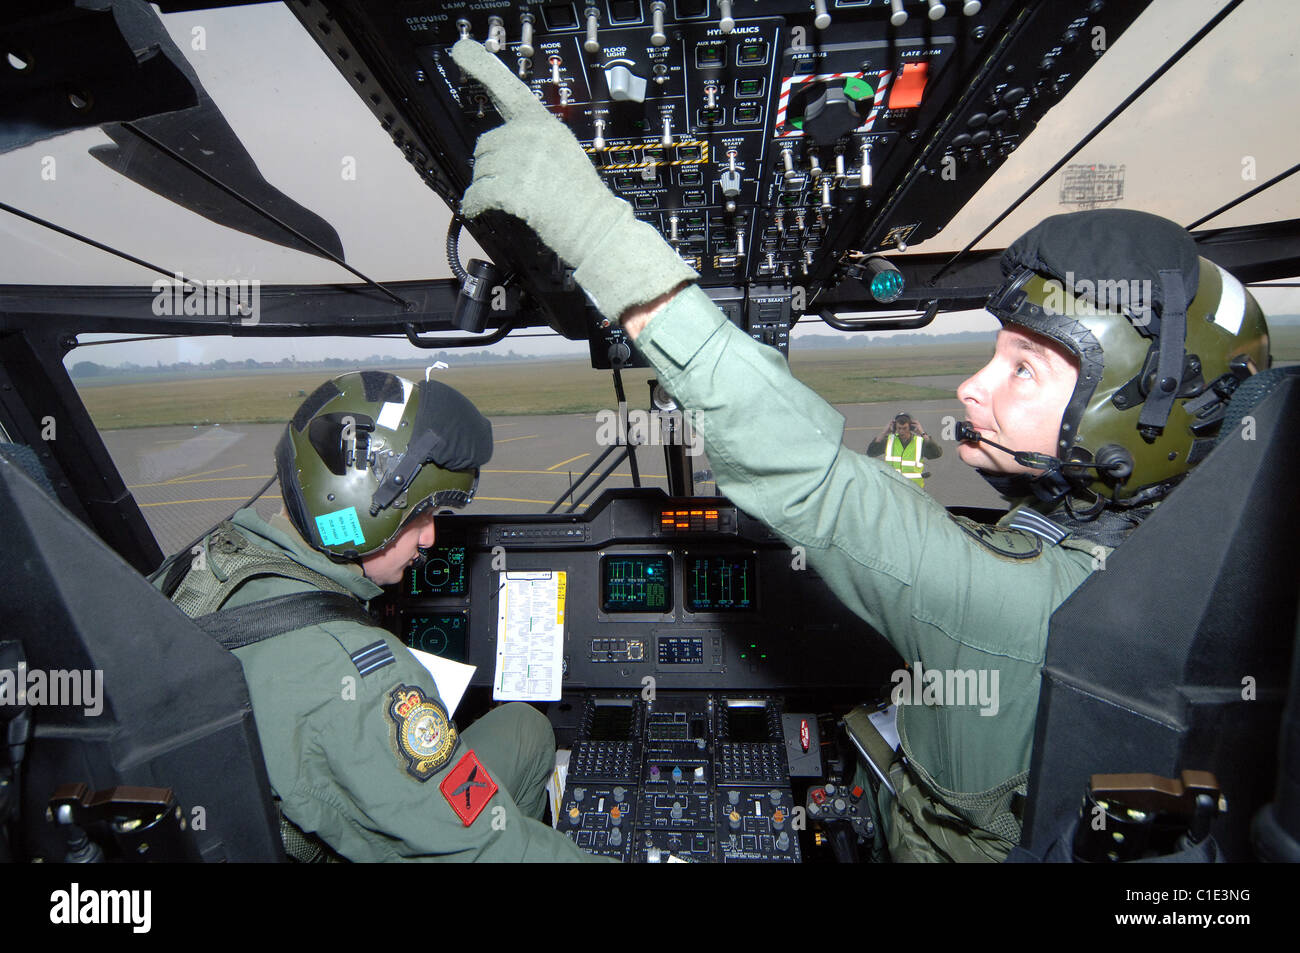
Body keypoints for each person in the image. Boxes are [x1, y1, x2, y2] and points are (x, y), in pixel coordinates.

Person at [449, 39, 1270, 861]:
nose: (971, 390)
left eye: (1024, 367)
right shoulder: (1153, 566)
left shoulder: (1017, 609)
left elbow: (808, 477)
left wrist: (591, 226)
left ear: (1136, 418)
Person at [160, 370, 603, 862]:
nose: (431, 538)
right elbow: (484, 849)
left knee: (524, 727)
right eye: (420, 515)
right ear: (358, 506)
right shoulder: (365, 677)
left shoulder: (209, 562)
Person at [866, 413, 941, 488]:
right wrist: (884, 432)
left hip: (914, 489)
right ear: (895, 428)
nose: (901, 431)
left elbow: (936, 454)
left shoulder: (920, 442)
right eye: (899, 428)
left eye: (904, 428)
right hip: (894, 488)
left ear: (911, 428)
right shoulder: (889, 441)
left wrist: (923, 433)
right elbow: (871, 453)